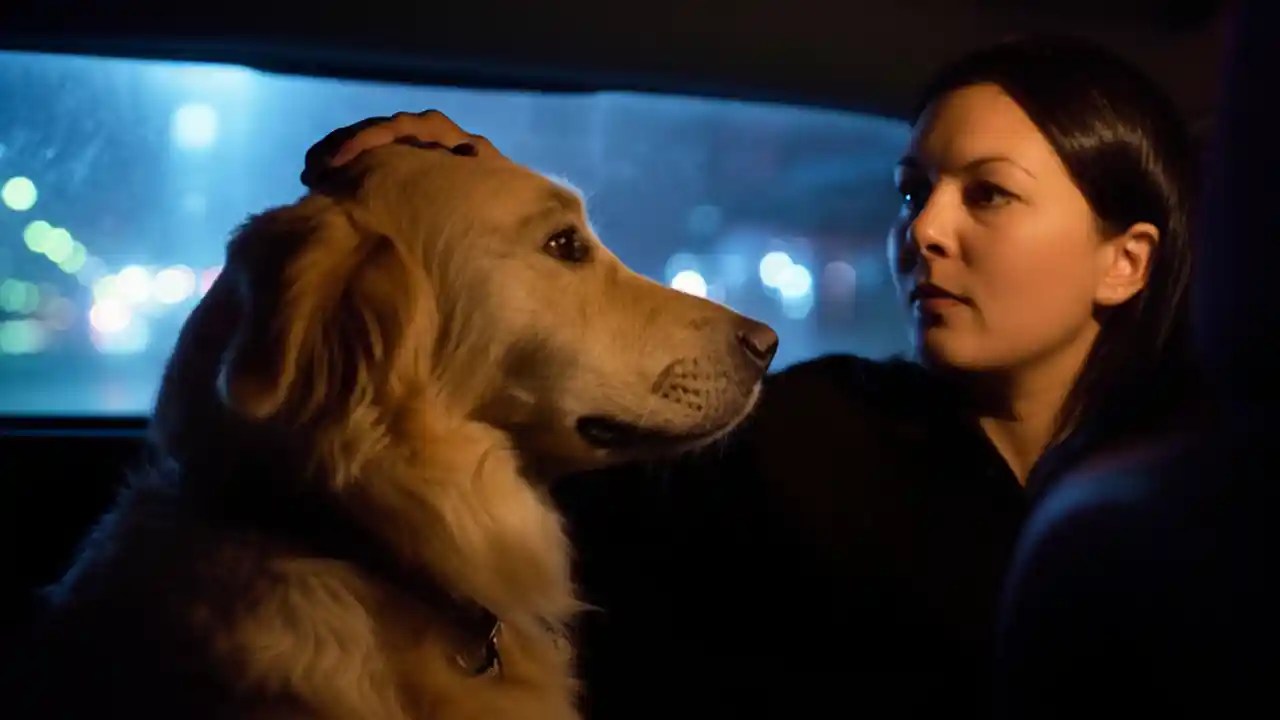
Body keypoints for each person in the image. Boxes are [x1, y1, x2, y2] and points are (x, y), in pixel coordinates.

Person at [301, 35, 1200, 717]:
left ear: (1125, 261)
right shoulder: (808, 433)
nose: (924, 229)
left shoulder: (1200, 507)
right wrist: (452, 219)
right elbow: (471, 520)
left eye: (987, 194)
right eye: (912, 190)